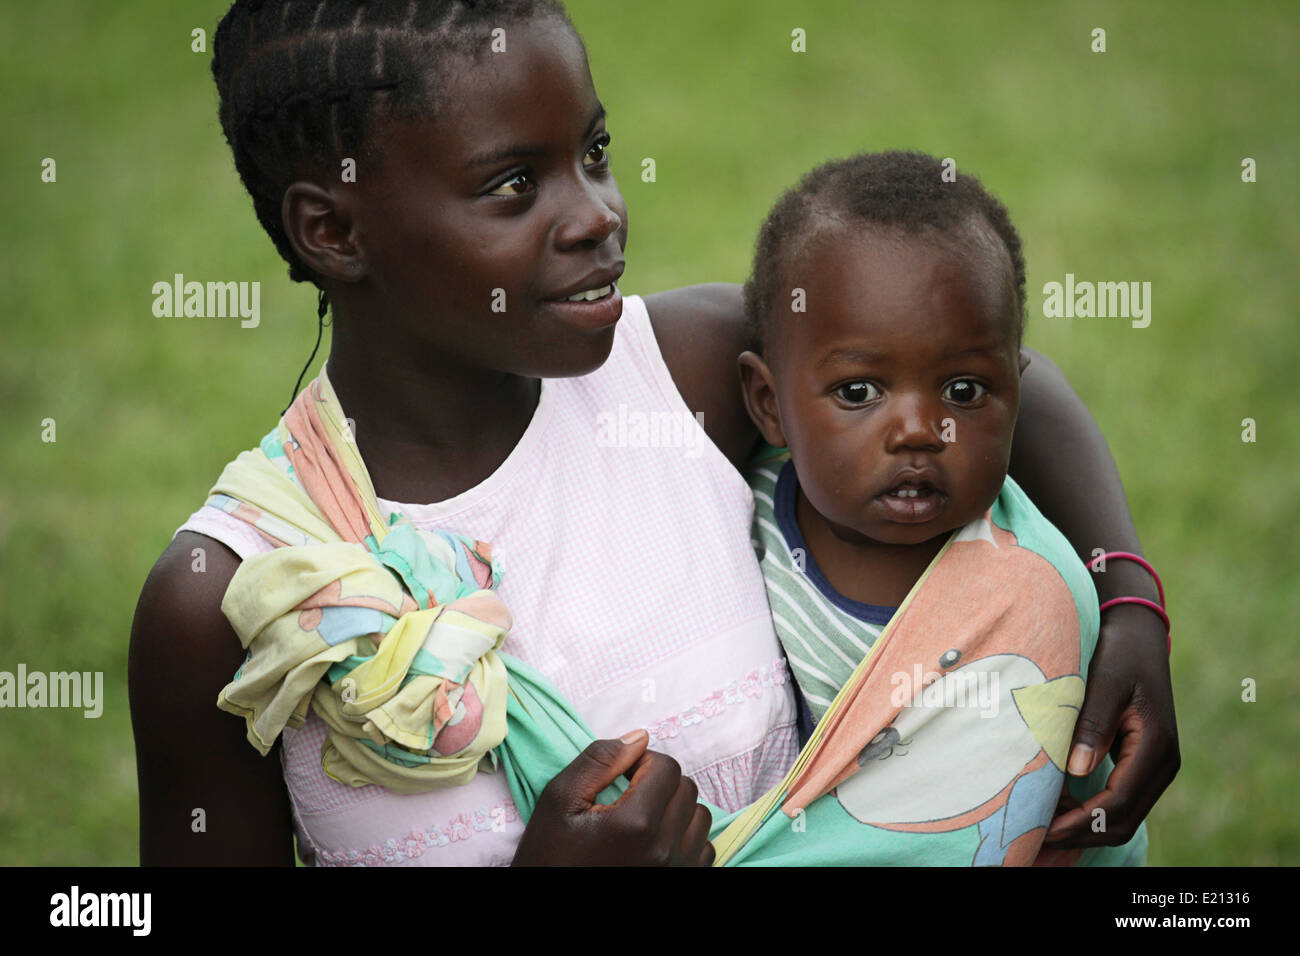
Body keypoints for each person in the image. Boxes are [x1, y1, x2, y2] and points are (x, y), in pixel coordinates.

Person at [128, 0, 1177, 866]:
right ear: (334, 229)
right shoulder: (241, 590)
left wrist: (1126, 598)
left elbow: (999, 380)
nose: (598, 213)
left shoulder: (684, 376)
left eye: (592, 151)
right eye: (513, 183)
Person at [733, 151, 1154, 864]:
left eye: (963, 392)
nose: (920, 430)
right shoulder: (743, 529)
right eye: (859, 392)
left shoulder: (1029, 593)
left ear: (1017, 398)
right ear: (770, 406)